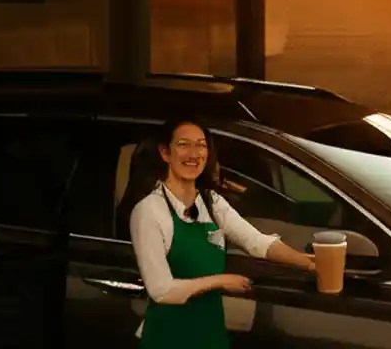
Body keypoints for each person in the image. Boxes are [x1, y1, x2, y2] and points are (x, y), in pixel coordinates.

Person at [124, 118, 315, 348]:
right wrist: (221, 281)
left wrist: (306, 262)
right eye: (184, 144)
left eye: (201, 145)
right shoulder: (149, 211)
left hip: (210, 334)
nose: (194, 153)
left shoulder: (211, 202)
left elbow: (256, 242)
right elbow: (162, 290)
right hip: (170, 337)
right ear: (165, 153)